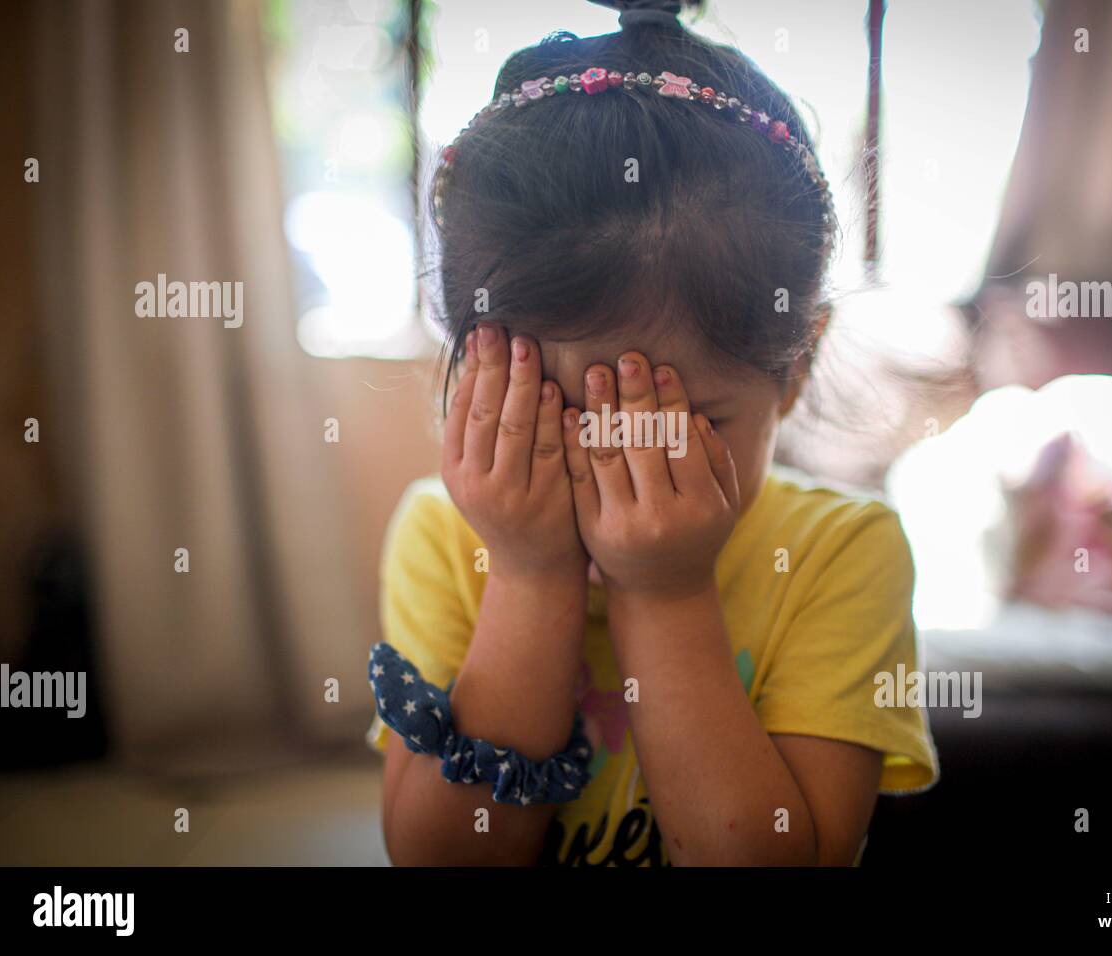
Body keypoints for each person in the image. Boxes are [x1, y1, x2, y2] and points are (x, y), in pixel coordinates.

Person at [367, 0, 938, 866]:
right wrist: (526, 576)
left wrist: (665, 593)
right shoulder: (443, 538)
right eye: (555, 419)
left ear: (796, 366)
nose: (612, 482)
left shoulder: (844, 554)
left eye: (673, 429)